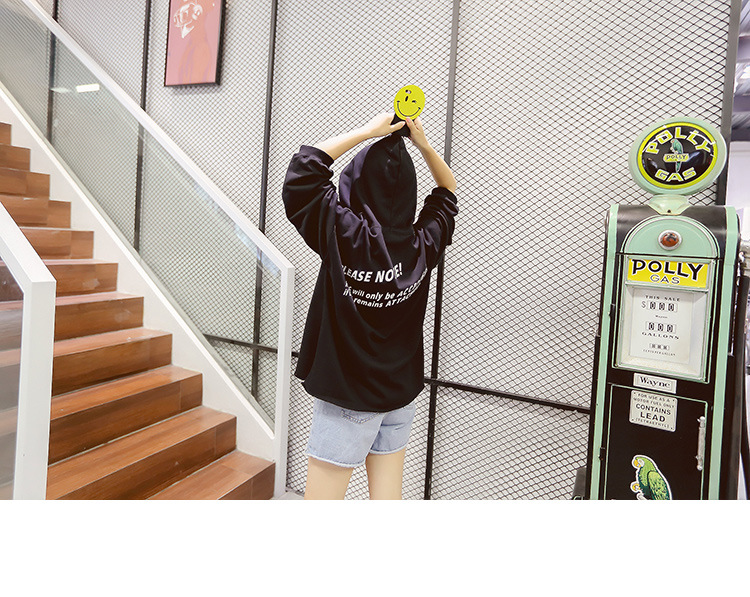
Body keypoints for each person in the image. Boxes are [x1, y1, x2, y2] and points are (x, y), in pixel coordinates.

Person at [282, 113, 458, 499]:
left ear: (356, 185)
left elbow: (305, 169)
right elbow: (448, 190)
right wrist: (423, 145)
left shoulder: (343, 232)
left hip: (348, 395)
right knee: (387, 498)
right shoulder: (422, 242)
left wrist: (368, 132)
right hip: (399, 394)